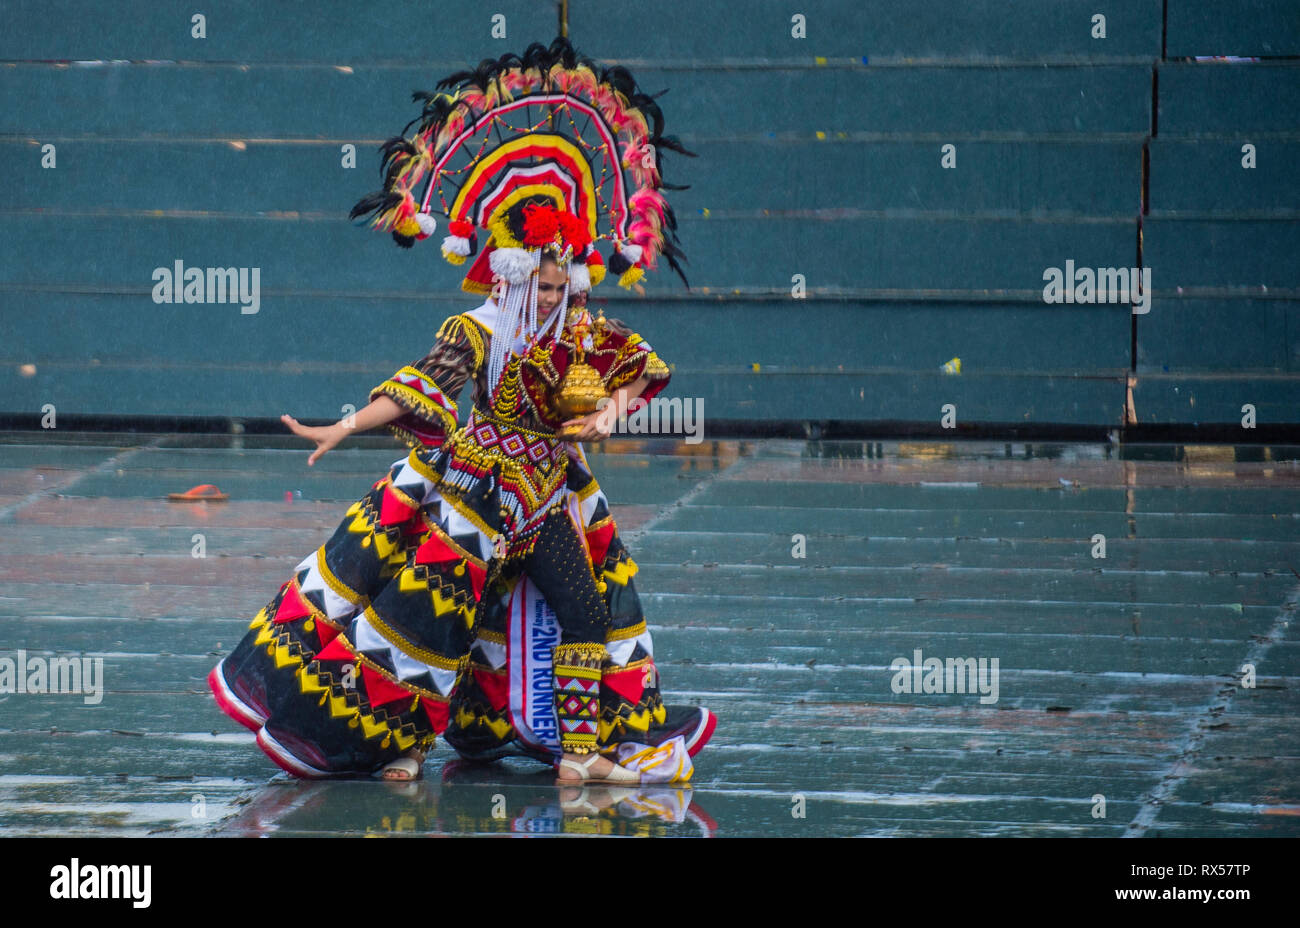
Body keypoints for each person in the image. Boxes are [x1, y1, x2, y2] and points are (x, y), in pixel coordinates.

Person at [208, 37, 713, 783]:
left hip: (546, 492)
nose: (549, 297)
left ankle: (577, 755)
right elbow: (423, 383)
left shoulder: (579, 329)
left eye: (558, 284)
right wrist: (346, 424)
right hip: (472, 490)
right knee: (431, 625)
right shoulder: (478, 329)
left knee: (580, 609)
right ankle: (403, 741)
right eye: (538, 286)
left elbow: (639, 368)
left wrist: (613, 409)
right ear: (510, 276)